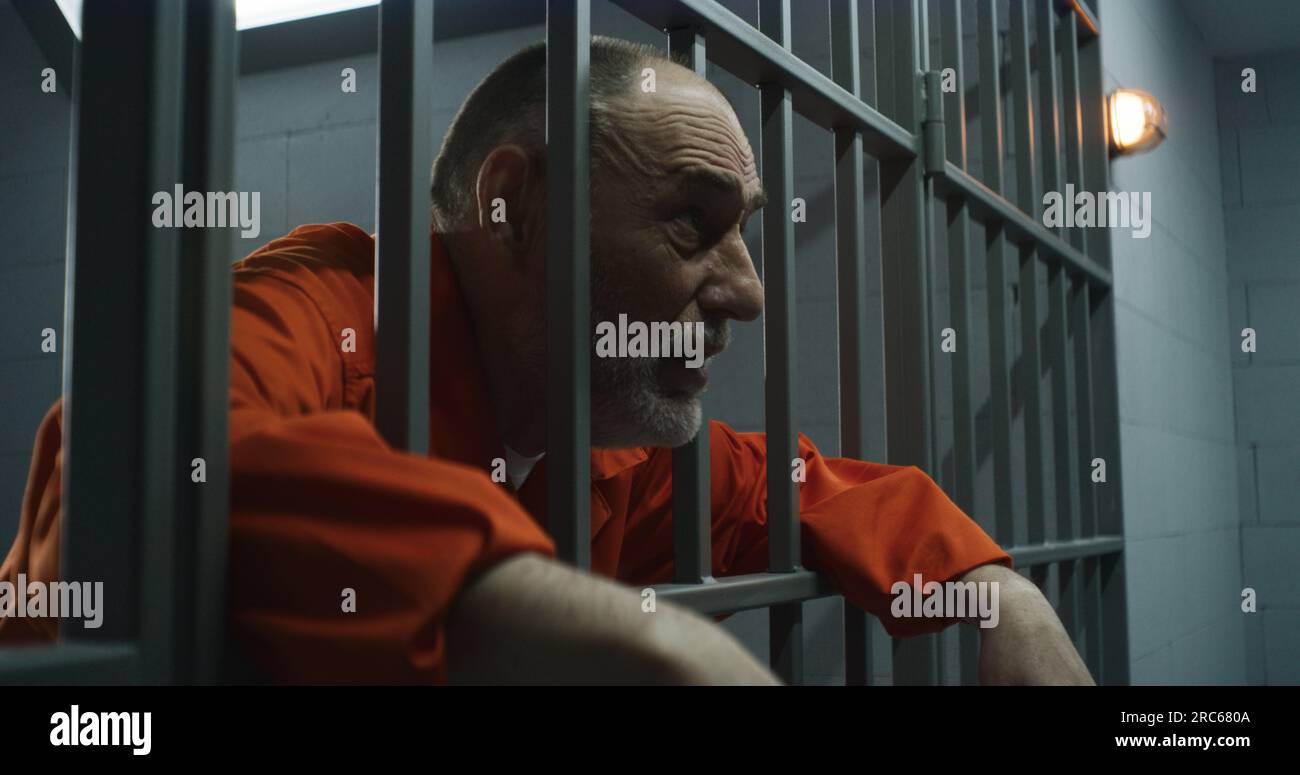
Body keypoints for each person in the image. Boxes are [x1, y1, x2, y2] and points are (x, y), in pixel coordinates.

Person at [0, 37, 1092, 685]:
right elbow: (135, 469)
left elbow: (788, 486)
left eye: (746, 227)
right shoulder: (326, 308)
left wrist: (996, 594)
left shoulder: (595, 439)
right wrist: (660, 653)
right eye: (692, 222)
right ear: (511, 209)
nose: (750, 290)